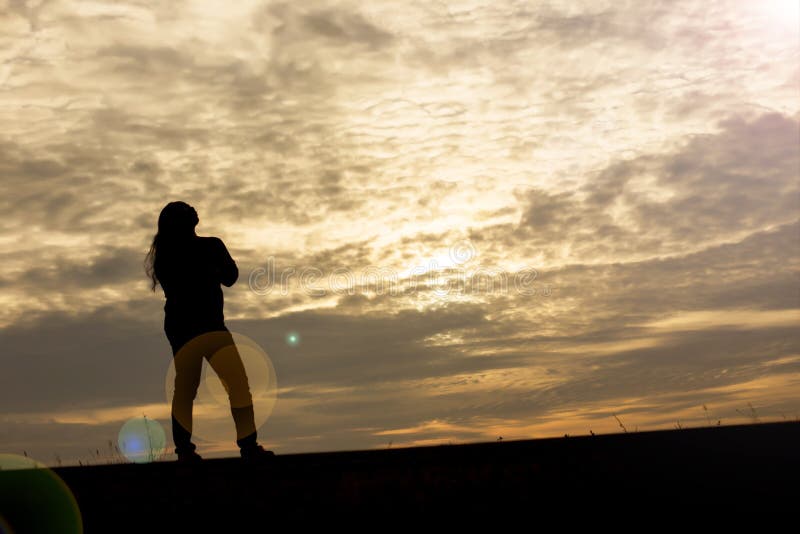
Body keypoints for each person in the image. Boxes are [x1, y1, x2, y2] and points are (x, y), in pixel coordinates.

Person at [144, 201, 273, 462]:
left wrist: (210, 268)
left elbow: (230, 276)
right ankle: (234, 447)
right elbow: (227, 277)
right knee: (204, 386)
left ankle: (227, 448)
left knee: (204, 386)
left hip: (198, 325)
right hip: (196, 326)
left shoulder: (193, 250)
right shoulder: (185, 253)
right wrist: (209, 268)